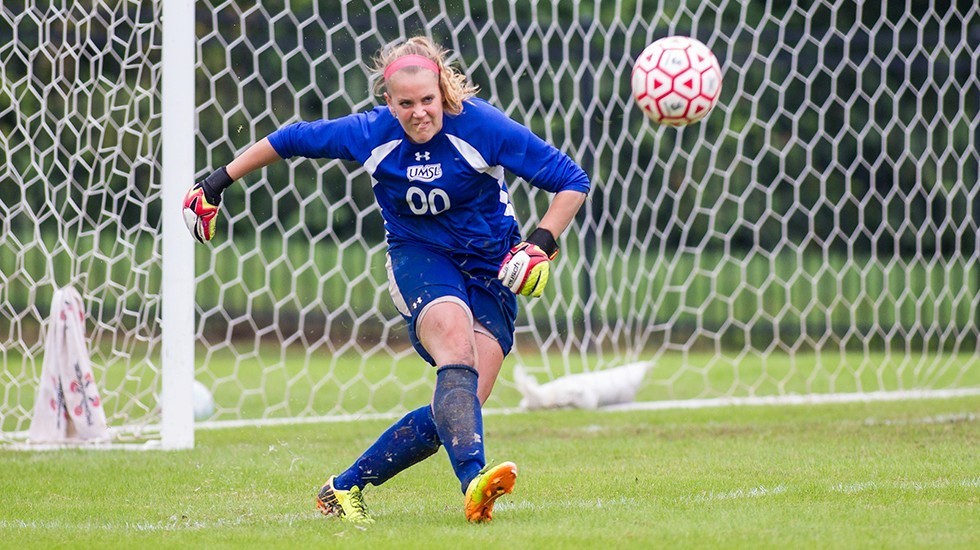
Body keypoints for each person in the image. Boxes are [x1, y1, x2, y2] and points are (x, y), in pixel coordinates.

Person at [182, 36, 590, 524]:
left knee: (458, 412)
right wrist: (215, 182)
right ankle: (475, 484)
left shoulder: (481, 126)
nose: (419, 112)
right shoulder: (369, 134)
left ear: (443, 92)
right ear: (388, 103)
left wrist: (541, 242)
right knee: (456, 349)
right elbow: (289, 139)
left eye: (428, 101)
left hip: (492, 269)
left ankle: (344, 488)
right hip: (420, 259)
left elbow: (572, 179)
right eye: (406, 104)